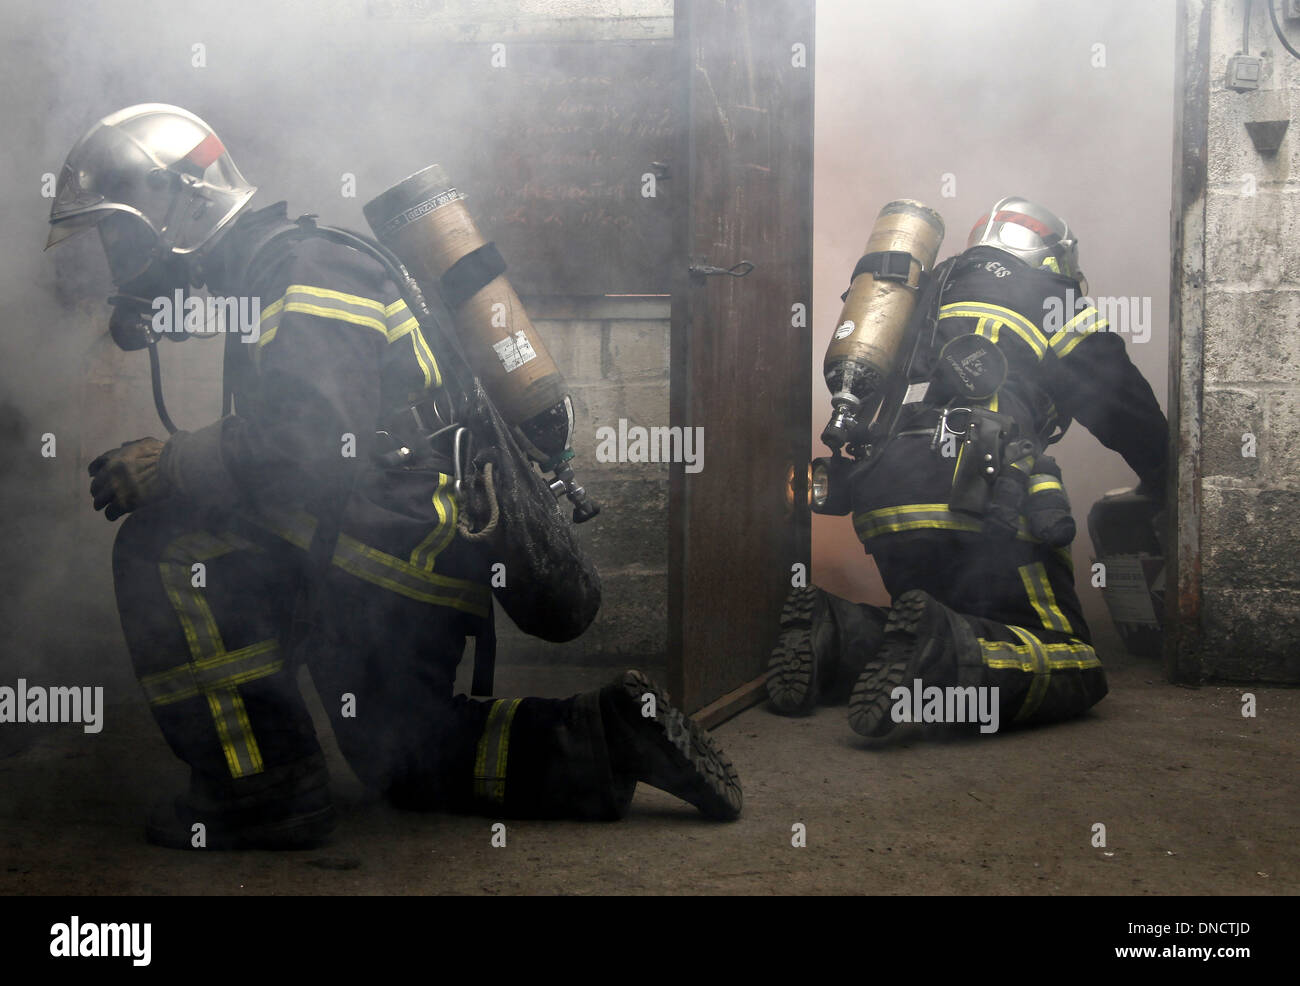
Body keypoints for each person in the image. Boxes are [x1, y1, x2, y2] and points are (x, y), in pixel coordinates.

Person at [46, 103, 741, 848]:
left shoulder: (300, 268)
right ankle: (607, 735)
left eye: (120, 232)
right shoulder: (278, 268)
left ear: (175, 201)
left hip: (393, 541)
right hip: (418, 549)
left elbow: (314, 441)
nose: (118, 259)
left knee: (163, 544)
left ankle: (260, 790)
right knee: (402, 756)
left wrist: (171, 462)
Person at [768, 197, 1168, 738]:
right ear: (1056, 256)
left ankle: (838, 633)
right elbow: (1124, 407)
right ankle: (944, 661)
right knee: (1071, 660)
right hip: (984, 497)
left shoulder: (915, 296)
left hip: (884, 501)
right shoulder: (1051, 297)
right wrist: (1168, 480)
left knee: (952, 621)